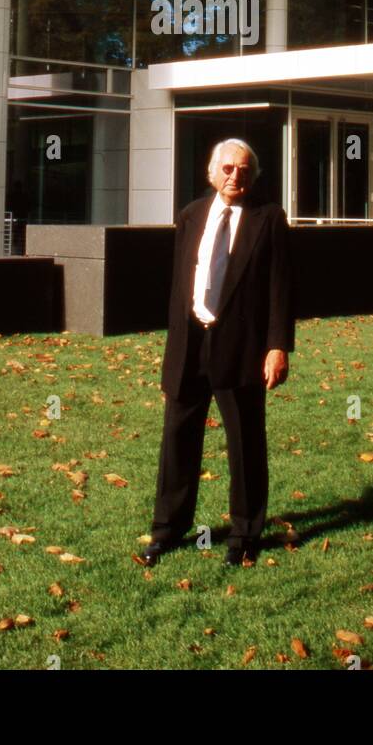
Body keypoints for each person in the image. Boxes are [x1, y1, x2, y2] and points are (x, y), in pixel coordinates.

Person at [142, 137, 295, 567]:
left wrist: (277, 346)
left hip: (242, 347)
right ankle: (167, 531)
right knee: (177, 439)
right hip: (191, 344)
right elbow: (179, 289)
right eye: (227, 169)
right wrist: (171, 356)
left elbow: (281, 288)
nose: (235, 176)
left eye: (244, 170)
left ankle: (245, 534)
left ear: (254, 175)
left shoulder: (269, 219)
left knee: (245, 442)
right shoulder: (190, 216)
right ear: (212, 173)